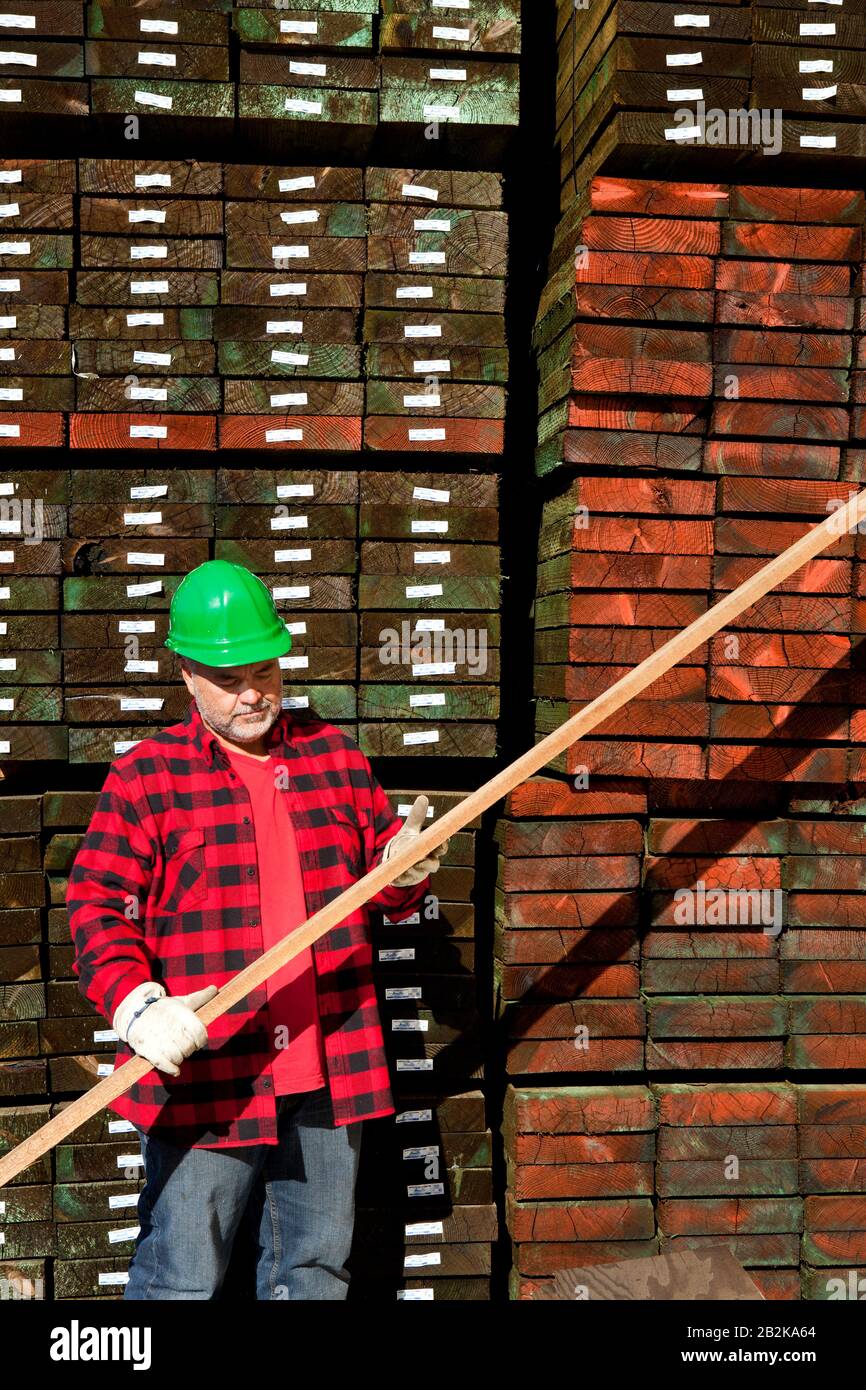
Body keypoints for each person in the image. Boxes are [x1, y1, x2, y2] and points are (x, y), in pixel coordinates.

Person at [66, 558, 449, 1300]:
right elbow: (97, 906)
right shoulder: (148, 777)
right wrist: (137, 1006)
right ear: (185, 674)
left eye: (265, 671)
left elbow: (384, 884)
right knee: (182, 1277)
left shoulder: (332, 757)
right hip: (212, 1071)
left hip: (327, 1064)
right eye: (228, 677)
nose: (253, 692)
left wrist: (404, 869)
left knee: (313, 1272)